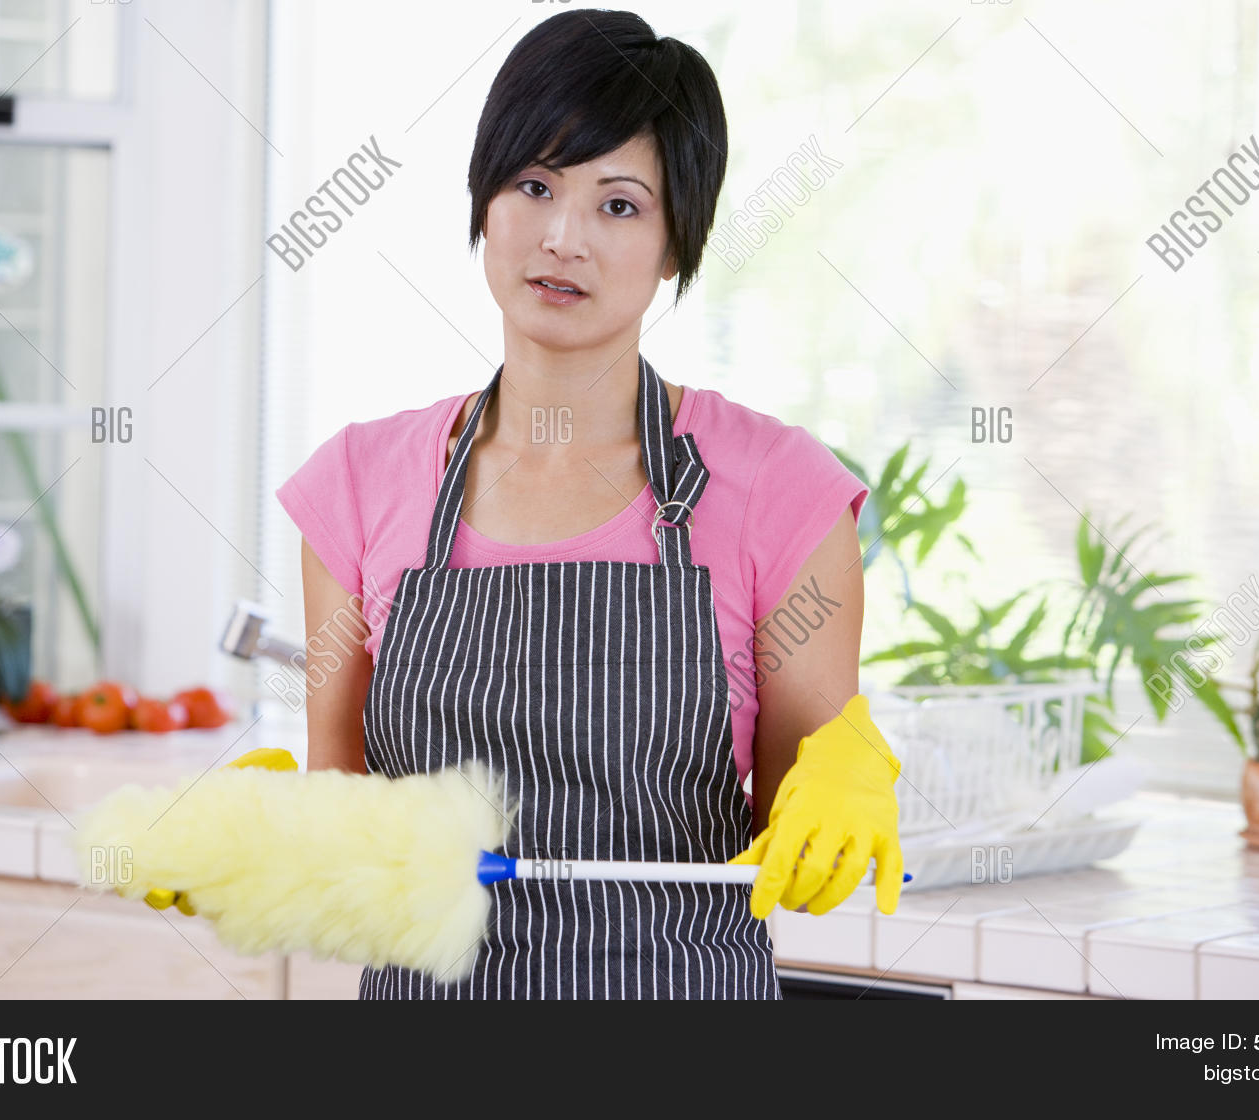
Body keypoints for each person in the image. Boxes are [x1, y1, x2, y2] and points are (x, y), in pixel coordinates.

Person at [277, 8, 901, 1000]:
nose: (561, 236)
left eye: (618, 204)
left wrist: (849, 768)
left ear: (673, 244)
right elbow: (342, 838)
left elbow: (800, 853)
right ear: (485, 202)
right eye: (533, 185)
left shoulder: (782, 491)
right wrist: (264, 829)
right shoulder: (357, 485)